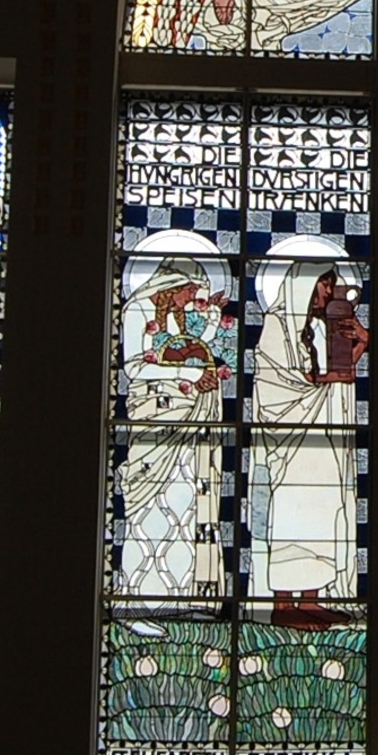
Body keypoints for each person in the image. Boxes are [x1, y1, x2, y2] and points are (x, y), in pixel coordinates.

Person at [249, 261, 364, 630]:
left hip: (321, 440)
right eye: (323, 287)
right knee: (292, 519)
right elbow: (278, 385)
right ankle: (284, 606)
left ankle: (312, 598)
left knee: (322, 515)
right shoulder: (276, 326)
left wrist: (361, 343)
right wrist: (328, 377)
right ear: (303, 288)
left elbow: (337, 377)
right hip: (289, 444)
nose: (328, 294)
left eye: (330, 286)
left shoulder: (315, 327)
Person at [113, 256, 235, 599]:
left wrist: (210, 323)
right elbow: (135, 368)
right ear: (172, 286)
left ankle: (189, 593)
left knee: (189, 504)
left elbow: (194, 351)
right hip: (154, 420)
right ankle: (141, 597)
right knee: (150, 506)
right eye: (191, 290)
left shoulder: (182, 318)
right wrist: (190, 374)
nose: (192, 297)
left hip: (192, 419)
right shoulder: (137, 310)